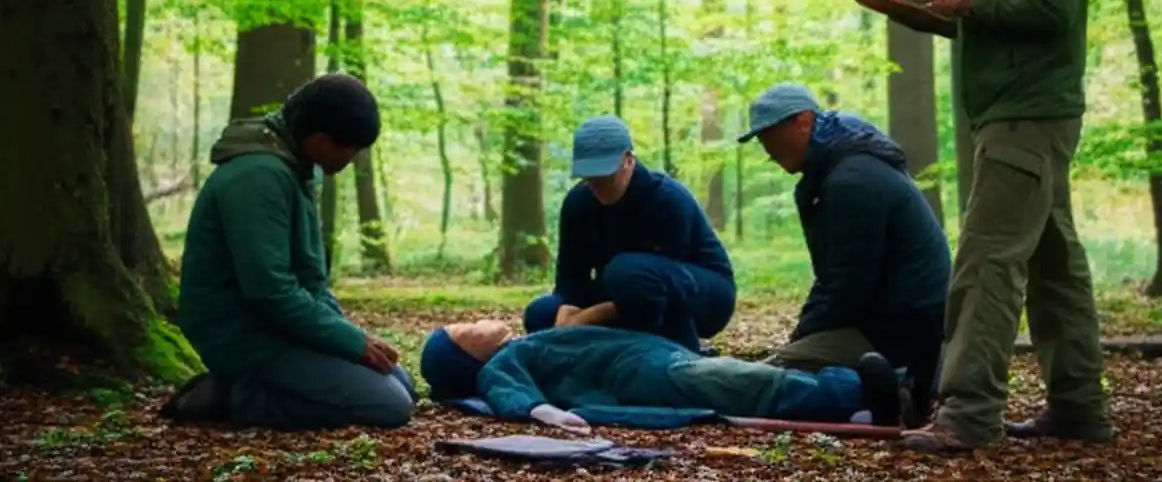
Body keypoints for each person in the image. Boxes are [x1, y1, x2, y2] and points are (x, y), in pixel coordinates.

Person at [894, 0, 1117, 452]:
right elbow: (999, 17)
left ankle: (968, 413)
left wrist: (972, 0)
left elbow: (1050, 10)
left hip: (1027, 114)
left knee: (987, 262)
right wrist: (920, 8)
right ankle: (1078, 408)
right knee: (1054, 266)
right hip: (1020, 109)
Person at [162, 73, 416, 431]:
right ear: (320, 140)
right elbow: (270, 290)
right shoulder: (258, 177)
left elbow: (310, 279)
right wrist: (351, 343)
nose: (352, 158)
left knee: (402, 384)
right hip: (243, 335)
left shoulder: (293, 168)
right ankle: (232, 396)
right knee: (390, 406)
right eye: (351, 149)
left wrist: (347, 337)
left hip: (279, 328)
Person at [736, 83, 952, 426]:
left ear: (803, 121)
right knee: (783, 366)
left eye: (770, 135)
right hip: (896, 323)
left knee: (767, 378)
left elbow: (846, 288)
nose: (767, 149)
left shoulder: (851, 181)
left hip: (901, 330)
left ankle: (891, 392)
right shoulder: (840, 171)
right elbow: (838, 279)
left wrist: (803, 339)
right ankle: (887, 391)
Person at [417, 320, 908, 433]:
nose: (477, 321)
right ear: (467, 356)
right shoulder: (501, 363)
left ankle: (865, 409)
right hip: (649, 375)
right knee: (747, 382)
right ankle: (858, 393)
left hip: (656, 362)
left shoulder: (523, 344)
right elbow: (505, 390)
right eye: (465, 330)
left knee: (745, 382)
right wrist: (541, 411)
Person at [522, 115, 736, 353]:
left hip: (699, 295)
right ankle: (603, 354)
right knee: (541, 314)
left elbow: (662, 292)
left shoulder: (667, 199)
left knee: (627, 273)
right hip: (625, 293)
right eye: (589, 175)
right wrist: (564, 318)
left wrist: (587, 318)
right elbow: (570, 281)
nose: (596, 183)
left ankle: (680, 353)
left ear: (628, 160)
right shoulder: (578, 203)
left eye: (605, 174)